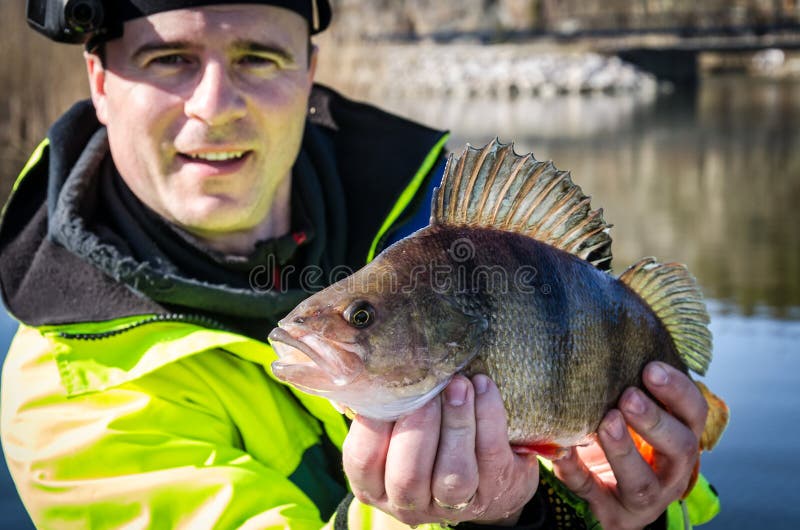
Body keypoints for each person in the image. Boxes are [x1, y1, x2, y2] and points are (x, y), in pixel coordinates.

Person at [0, 1, 720, 528]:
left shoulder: (433, 219)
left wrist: (636, 509)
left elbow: (662, 497)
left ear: (309, 71)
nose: (214, 107)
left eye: (258, 56)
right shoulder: (70, 404)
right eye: (169, 59)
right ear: (99, 80)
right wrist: (451, 521)